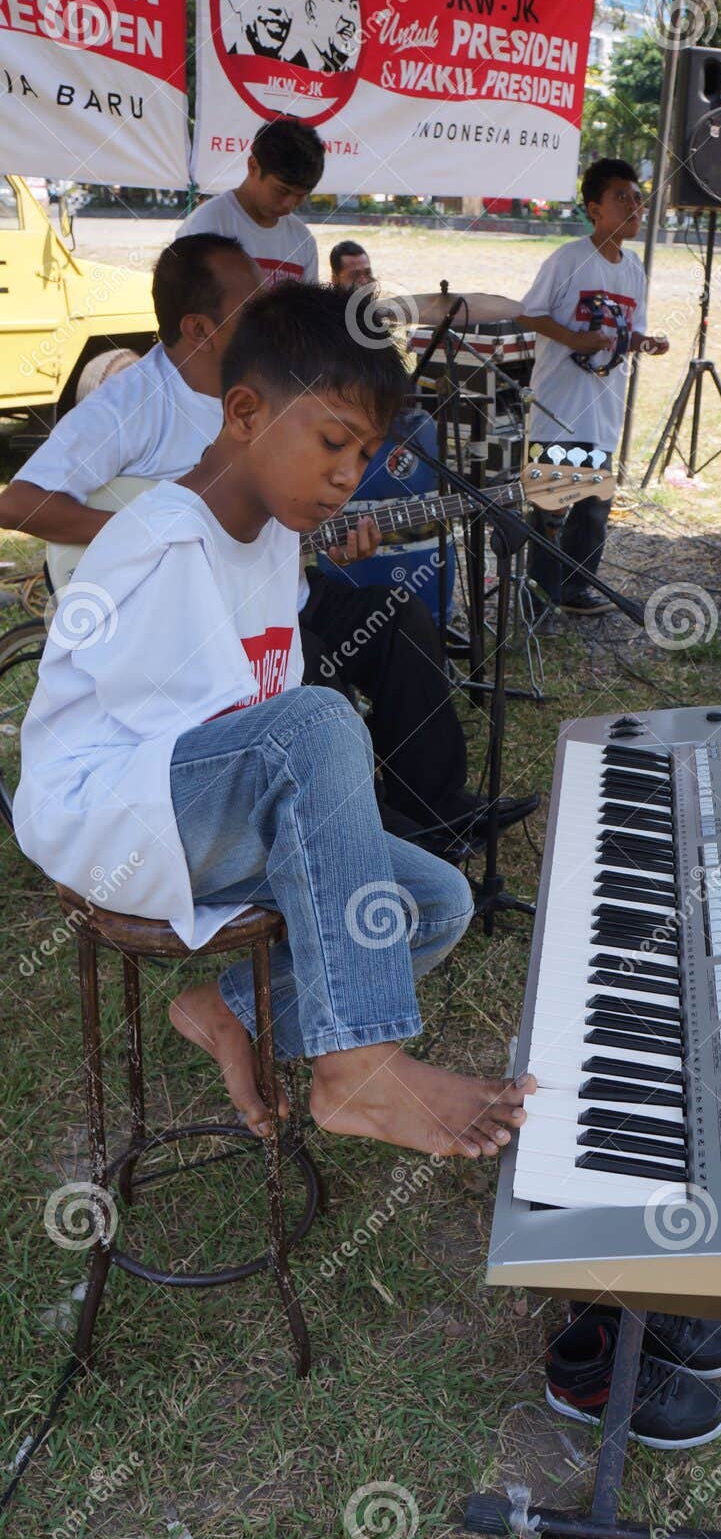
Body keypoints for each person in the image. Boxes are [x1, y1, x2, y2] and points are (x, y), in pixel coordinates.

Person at [13, 283, 534, 1158]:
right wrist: (318, 803)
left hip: (205, 812)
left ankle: (225, 1010)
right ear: (246, 412)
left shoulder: (269, 543)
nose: (348, 475)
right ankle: (357, 1066)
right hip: (114, 817)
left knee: (435, 901)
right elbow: (201, 740)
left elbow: (260, 717)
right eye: (333, 441)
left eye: (364, 454)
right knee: (317, 722)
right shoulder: (160, 542)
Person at [0, 236, 535, 853]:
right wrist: (157, 536)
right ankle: (363, 830)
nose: (266, 312)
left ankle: (435, 807)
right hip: (197, 618)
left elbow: (279, 527)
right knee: (309, 674)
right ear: (198, 328)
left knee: (399, 619)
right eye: (248, 303)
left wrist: (328, 534)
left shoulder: (294, 389)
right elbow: (19, 503)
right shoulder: (132, 403)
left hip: (280, 588)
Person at [516, 158, 669, 615]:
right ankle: (538, 595)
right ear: (594, 209)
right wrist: (576, 339)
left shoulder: (633, 268)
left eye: (637, 198)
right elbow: (528, 314)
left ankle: (576, 589)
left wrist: (647, 343)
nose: (634, 206)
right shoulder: (569, 259)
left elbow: (630, 330)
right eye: (621, 197)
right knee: (551, 502)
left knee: (593, 504)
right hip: (560, 405)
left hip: (603, 406)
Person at [177, 118, 322, 286]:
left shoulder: (303, 240)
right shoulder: (206, 225)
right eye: (282, 191)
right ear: (253, 166)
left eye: (301, 196)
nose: (288, 205)